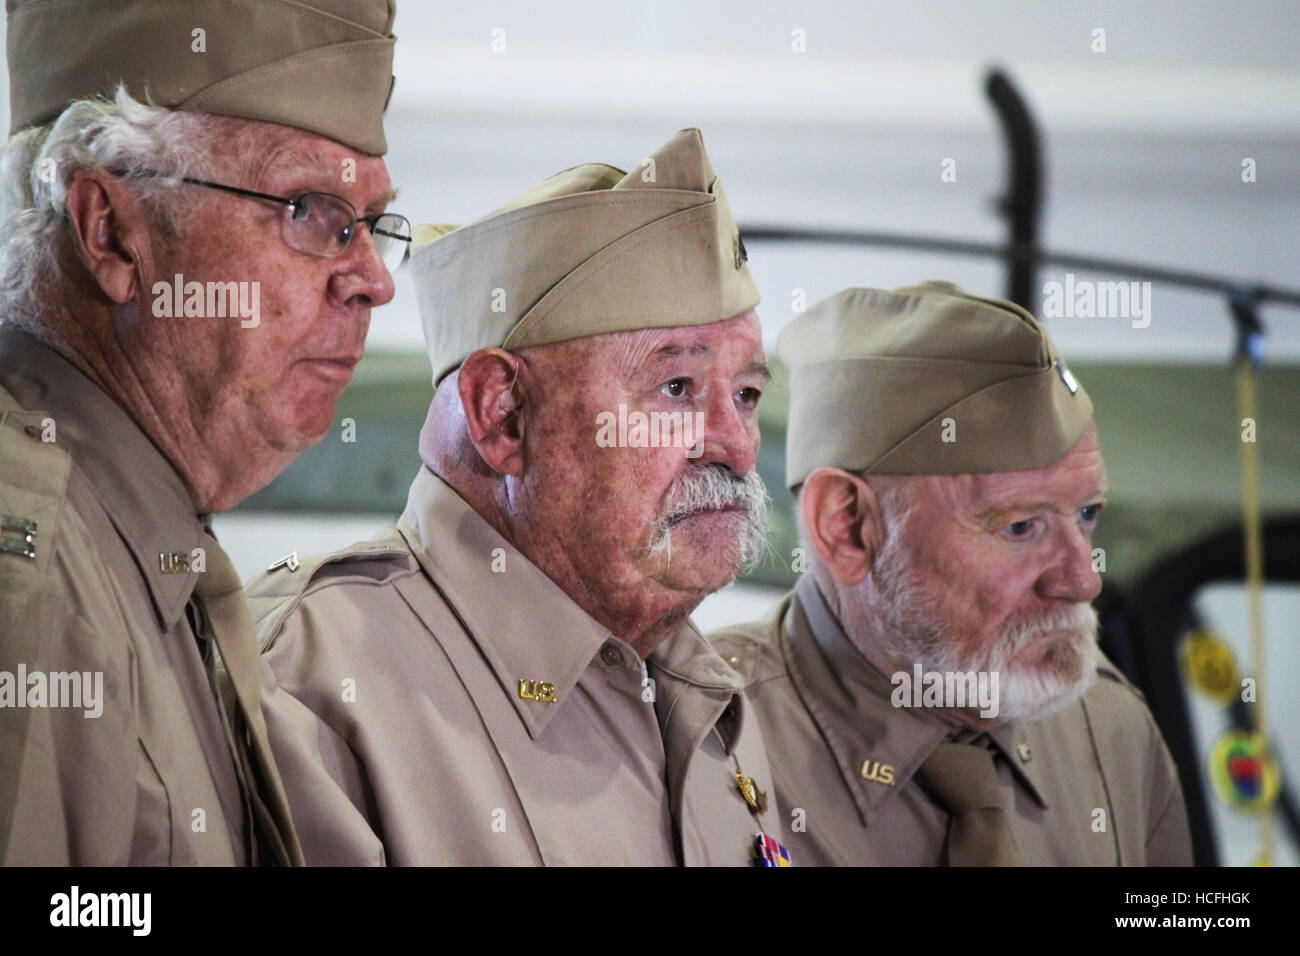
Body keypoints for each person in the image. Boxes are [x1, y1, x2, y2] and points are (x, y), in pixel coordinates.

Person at [247, 129, 788, 866]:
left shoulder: (710, 696)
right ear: (503, 413)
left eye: (748, 394)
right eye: (677, 389)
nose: (737, 446)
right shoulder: (315, 681)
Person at [0, 0, 408, 865]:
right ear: (111, 231)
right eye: (309, 210)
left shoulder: (134, 532)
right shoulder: (25, 568)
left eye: (372, 223)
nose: (372, 278)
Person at [711, 282, 1194, 866]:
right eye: (1020, 526)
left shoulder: (1111, 732)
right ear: (848, 525)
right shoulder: (700, 741)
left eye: (1087, 514)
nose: (1081, 579)